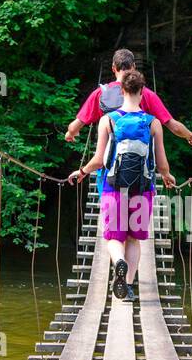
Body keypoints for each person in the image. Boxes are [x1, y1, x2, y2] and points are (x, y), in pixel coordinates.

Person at [67, 69, 175, 301]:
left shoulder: (108, 120)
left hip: (113, 187)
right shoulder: (153, 123)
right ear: (142, 92)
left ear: (122, 90)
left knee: (114, 238)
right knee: (134, 239)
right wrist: (167, 176)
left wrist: (82, 171)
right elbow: (162, 163)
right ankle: (126, 288)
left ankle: (119, 262)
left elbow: (99, 160)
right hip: (142, 189)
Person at [65, 48, 192, 148]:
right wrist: (190, 135)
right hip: (139, 163)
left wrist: (70, 134)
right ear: (134, 67)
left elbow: (75, 126)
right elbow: (173, 126)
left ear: (113, 68)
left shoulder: (100, 93)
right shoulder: (145, 94)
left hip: (108, 162)